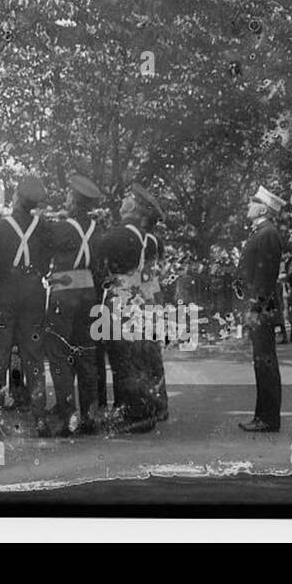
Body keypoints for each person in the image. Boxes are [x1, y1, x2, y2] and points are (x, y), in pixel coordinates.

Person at [0, 176, 54, 437]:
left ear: (15, 198)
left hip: (3, 297)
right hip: (33, 295)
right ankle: (40, 417)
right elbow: (46, 265)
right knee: (33, 358)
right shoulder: (44, 227)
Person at [91, 184, 168, 432]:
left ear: (133, 207)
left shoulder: (116, 236)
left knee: (123, 358)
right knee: (144, 356)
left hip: (123, 299)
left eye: (127, 199)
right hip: (145, 298)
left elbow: (97, 262)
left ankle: (135, 415)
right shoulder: (153, 240)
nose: (123, 201)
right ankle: (152, 407)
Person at [43, 173, 104, 436]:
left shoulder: (59, 228)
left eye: (68, 195)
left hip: (64, 295)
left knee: (58, 353)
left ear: (74, 200)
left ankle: (67, 414)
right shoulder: (99, 231)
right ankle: (90, 417)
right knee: (86, 354)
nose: (65, 198)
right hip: (89, 294)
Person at [236, 186, 285, 432]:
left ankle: (267, 418)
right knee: (261, 361)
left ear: (263, 208)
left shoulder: (266, 234)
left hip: (261, 308)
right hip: (260, 306)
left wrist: (255, 307)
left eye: (252, 202)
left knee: (264, 362)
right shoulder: (263, 232)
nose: (248, 205)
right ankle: (263, 416)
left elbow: (265, 275)